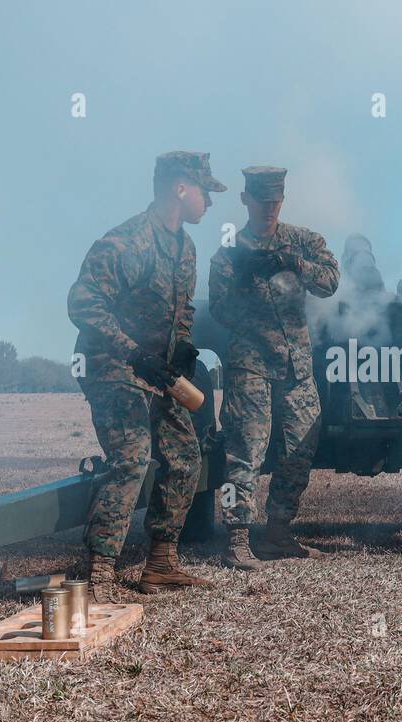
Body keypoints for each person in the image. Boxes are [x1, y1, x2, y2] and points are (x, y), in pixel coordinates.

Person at [66, 151, 226, 600]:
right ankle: (98, 571)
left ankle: (160, 563)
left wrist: (182, 350)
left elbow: (182, 311)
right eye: (204, 192)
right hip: (112, 368)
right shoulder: (127, 242)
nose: (209, 204)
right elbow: (83, 303)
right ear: (180, 188)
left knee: (185, 458)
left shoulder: (185, 247)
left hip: (156, 375)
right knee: (133, 458)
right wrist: (134, 352)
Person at [207, 166, 340, 570]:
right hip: (251, 367)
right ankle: (238, 537)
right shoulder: (229, 251)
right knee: (244, 452)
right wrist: (245, 283)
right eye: (262, 202)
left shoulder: (302, 241)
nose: (269, 209)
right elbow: (220, 311)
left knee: (302, 449)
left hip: (297, 365)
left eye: (276, 202)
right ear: (245, 200)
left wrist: (295, 264)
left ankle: (279, 530)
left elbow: (331, 281)